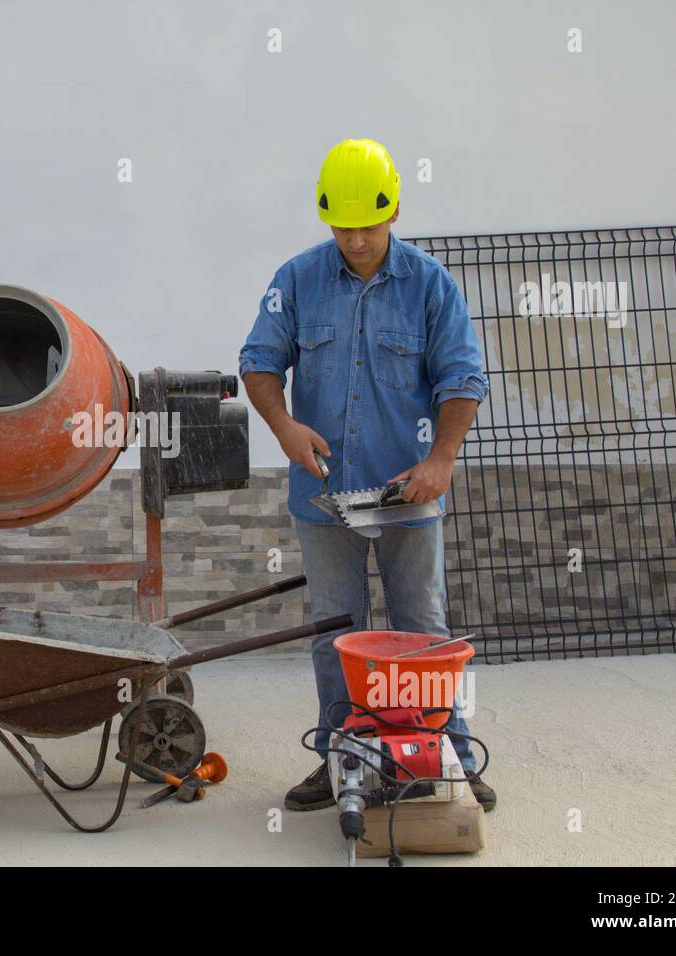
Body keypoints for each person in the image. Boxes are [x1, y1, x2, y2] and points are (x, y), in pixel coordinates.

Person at [238, 140, 497, 812]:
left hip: (406, 492)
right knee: (337, 632)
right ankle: (341, 758)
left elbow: (462, 376)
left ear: (394, 211)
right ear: (326, 217)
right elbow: (259, 361)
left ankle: (443, 758)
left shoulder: (431, 285)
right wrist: (285, 429)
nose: (355, 239)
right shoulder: (297, 279)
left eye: (368, 225)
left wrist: (440, 460)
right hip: (325, 496)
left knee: (423, 631)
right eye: (342, 226)